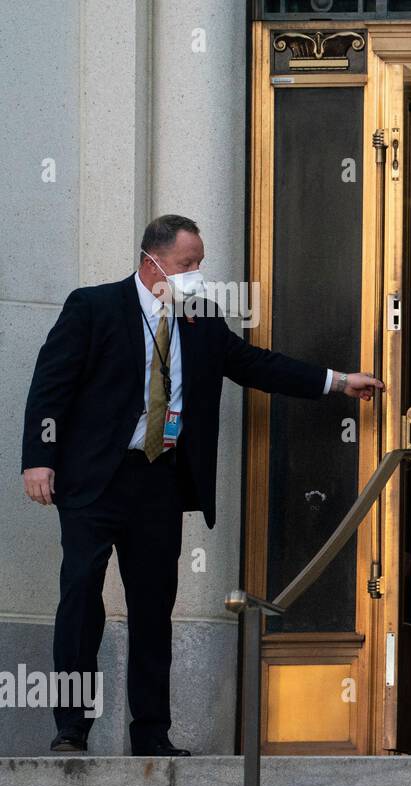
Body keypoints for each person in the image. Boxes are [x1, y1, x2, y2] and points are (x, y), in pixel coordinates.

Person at [20, 214, 383, 756]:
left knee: (152, 607)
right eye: (188, 265)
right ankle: (71, 729)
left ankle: (151, 736)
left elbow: (256, 364)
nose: (197, 275)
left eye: (199, 265)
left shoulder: (200, 321)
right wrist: (39, 461)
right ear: (152, 261)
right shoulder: (93, 307)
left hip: (159, 482)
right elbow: (50, 387)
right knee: (81, 598)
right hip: (95, 480)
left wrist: (336, 381)